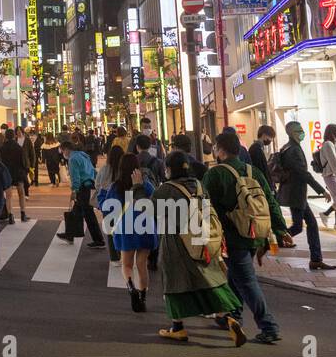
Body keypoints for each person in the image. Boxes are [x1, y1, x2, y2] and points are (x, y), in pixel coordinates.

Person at [203, 130, 293, 344]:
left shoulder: (216, 174)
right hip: (256, 234)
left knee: (246, 280)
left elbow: (205, 209)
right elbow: (270, 201)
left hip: (233, 236)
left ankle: (268, 325)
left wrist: (203, 238)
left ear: (220, 149)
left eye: (215, 147)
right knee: (236, 275)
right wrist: (281, 229)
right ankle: (233, 316)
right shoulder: (252, 172)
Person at [152, 152, 244, 345]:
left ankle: (177, 328)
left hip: (176, 244)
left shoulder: (166, 189)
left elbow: (151, 212)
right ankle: (229, 319)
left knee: (175, 284)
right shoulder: (199, 185)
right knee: (209, 281)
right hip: (201, 241)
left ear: (169, 169)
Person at [99, 154, 158, 313]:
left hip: (125, 227)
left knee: (126, 264)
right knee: (142, 265)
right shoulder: (145, 185)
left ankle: (131, 288)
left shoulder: (115, 186)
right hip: (145, 226)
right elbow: (155, 201)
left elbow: (106, 206)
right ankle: (143, 298)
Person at [276, 121, 336, 270]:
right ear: (291, 133)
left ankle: (316, 259)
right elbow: (302, 173)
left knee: (309, 225)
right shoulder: (293, 150)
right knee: (298, 227)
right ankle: (272, 241)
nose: (302, 132)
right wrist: (321, 190)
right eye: (299, 130)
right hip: (296, 194)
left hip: (296, 193)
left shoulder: (289, 147)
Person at [56, 139, 104, 244]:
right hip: (89, 185)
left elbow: (75, 177)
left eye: (63, 151)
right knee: (76, 211)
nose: (63, 154)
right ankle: (70, 234)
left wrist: (74, 190)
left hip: (83, 188)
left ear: (67, 149)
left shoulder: (73, 159)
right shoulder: (83, 155)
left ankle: (99, 240)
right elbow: (92, 170)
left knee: (88, 214)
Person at [316, 123, 336, 228]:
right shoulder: (328, 144)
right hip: (331, 176)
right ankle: (325, 214)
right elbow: (333, 161)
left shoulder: (331, 144)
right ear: (332, 133)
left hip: (333, 175)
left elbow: (335, 160)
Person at [0, 128, 28, 222]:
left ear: (5, 137)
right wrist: (25, 171)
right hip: (18, 173)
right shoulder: (18, 147)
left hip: (7, 173)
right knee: (21, 193)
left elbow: (0, 162)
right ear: (14, 136)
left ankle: (10, 215)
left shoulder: (2, 149)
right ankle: (23, 214)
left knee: (8, 195)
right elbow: (23, 162)